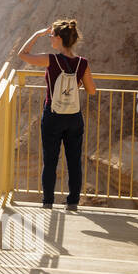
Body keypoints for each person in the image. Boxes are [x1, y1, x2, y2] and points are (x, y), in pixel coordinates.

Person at [18, 19, 97, 211]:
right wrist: (74, 84)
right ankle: (72, 202)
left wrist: (37, 34)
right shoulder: (82, 63)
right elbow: (92, 90)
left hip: (53, 115)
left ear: (59, 38)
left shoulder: (50, 60)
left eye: (52, 35)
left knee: (51, 160)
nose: (50, 38)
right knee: (74, 160)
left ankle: (48, 202)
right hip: (74, 117)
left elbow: (23, 54)